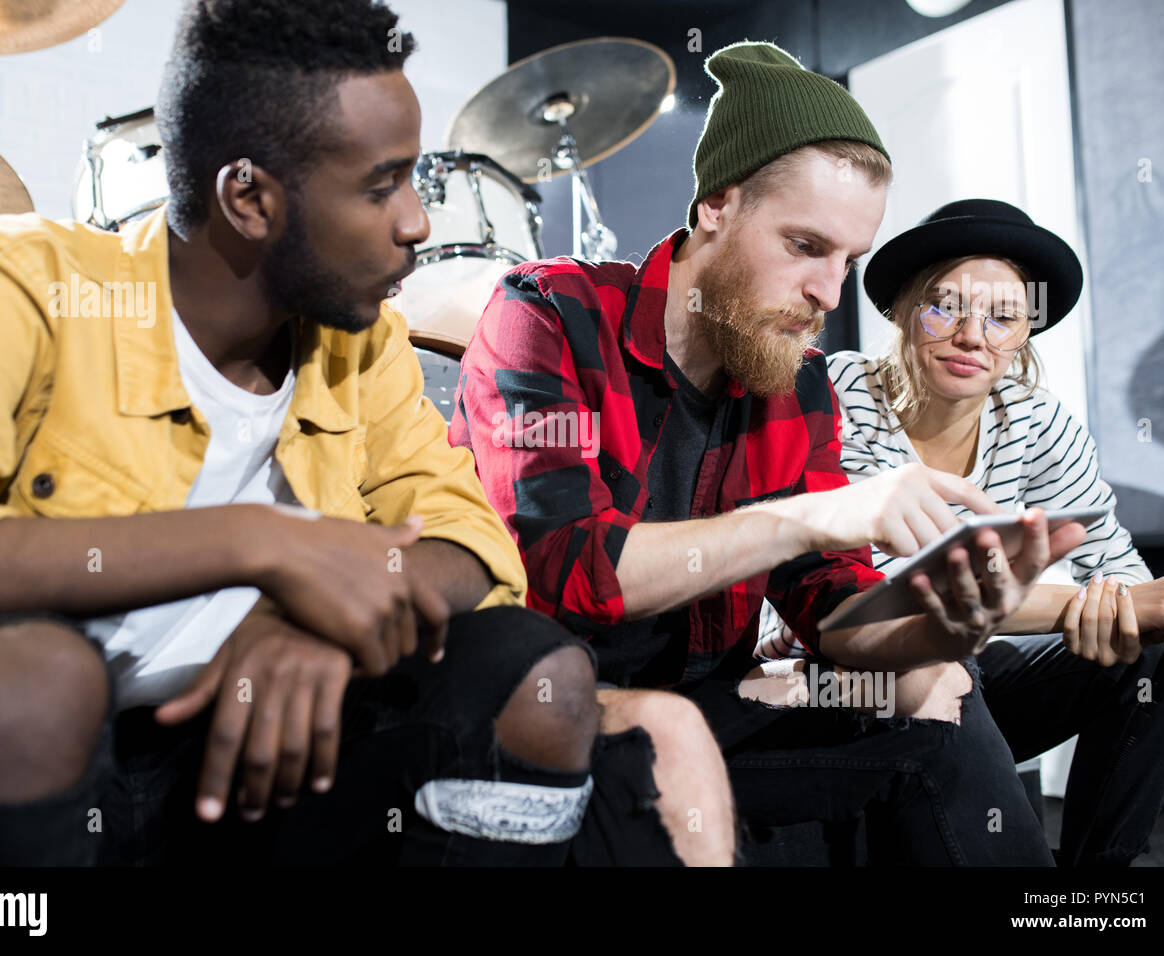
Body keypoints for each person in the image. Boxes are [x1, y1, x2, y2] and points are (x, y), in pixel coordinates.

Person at [0, 0, 733, 867]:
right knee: (22, 691)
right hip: (65, 773)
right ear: (249, 198)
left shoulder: (358, 340)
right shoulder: (20, 284)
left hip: (262, 756)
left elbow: (476, 545)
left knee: (538, 671)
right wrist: (255, 544)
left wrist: (310, 616)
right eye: (382, 186)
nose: (416, 222)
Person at [451, 41, 1091, 865]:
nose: (830, 292)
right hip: (555, 711)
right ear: (717, 206)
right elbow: (568, 565)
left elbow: (830, 611)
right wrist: (811, 516)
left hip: (719, 700)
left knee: (942, 702)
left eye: (848, 261)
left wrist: (933, 620)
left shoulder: (800, 381)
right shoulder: (549, 315)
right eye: (804, 247)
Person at [757, 198, 1164, 865]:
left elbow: (1111, 558)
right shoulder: (834, 394)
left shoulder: (1039, 423)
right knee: (936, 659)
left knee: (1156, 647)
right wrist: (1091, 604)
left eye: (1003, 318)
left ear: (1023, 336)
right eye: (945, 307)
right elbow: (882, 601)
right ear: (902, 309)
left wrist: (1131, 605)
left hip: (971, 683)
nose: (972, 336)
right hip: (831, 673)